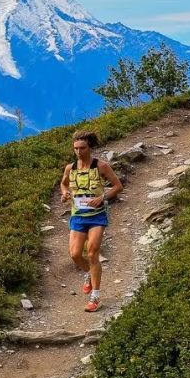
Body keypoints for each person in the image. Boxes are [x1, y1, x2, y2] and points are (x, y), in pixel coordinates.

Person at [60, 131, 123, 313]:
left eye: (82, 148)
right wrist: (64, 193)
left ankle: (95, 296)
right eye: (76, 149)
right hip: (78, 216)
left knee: (93, 252)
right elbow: (64, 184)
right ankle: (89, 272)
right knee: (74, 254)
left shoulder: (101, 166)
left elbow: (118, 186)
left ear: (90, 148)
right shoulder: (70, 168)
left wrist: (102, 197)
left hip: (96, 216)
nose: (79, 152)